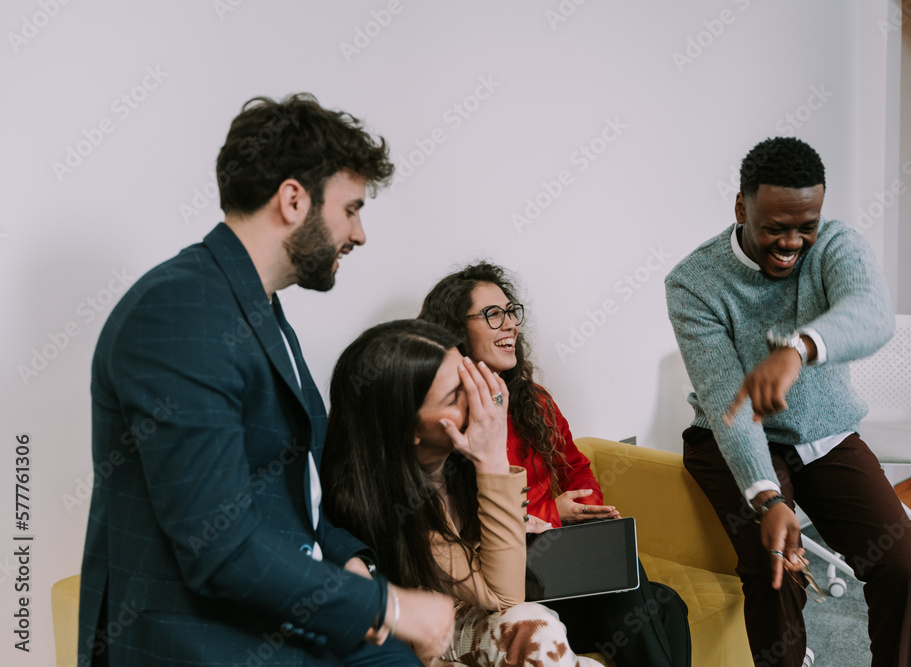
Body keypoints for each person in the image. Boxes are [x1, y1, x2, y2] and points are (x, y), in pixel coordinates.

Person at [78, 93, 454, 667]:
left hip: (278, 617)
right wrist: (389, 606)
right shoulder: (180, 311)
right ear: (293, 200)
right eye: (351, 209)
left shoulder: (255, 307)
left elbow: (295, 493)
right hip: (204, 640)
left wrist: (349, 559)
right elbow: (220, 552)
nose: (359, 233)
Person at [665, 136, 911, 667]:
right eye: (774, 228)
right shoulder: (694, 283)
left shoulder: (835, 245)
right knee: (775, 568)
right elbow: (729, 403)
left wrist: (798, 349)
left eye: (805, 225)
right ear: (741, 209)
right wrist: (767, 498)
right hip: (733, 436)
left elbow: (872, 314)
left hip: (825, 433)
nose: (792, 242)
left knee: (905, 567)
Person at [419, 262, 692, 667]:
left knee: (665, 601)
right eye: (493, 314)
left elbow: (576, 467)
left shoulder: (534, 400)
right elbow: (473, 527)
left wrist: (585, 509)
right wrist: (554, 512)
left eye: (511, 311)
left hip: (557, 554)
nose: (510, 324)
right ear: (456, 332)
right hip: (506, 570)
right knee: (654, 600)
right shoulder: (449, 423)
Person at [320, 319, 601, 666]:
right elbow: (505, 597)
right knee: (533, 628)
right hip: (431, 637)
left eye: (471, 379)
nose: (478, 399)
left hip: (482, 609)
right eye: (456, 396)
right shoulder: (387, 504)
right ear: (406, 429)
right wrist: (493, 460)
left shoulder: (457, 462)